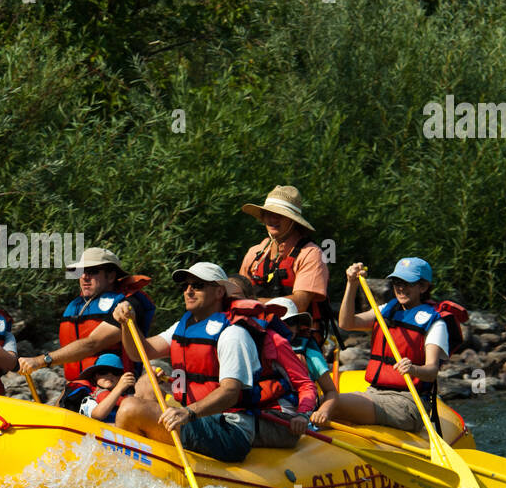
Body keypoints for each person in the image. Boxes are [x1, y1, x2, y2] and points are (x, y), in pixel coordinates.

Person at [110, 262, 316, 463]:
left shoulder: (233, 334)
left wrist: (188, 413)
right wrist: (127, 324)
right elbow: (141, 352)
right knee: (146, 384)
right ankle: (149, 460)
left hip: (230, 430)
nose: (189, 291)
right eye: (185, 286)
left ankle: (126, 465)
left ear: (219, 293)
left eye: (198, 285)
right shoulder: (184, 325)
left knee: (130, 408)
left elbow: (230, 393)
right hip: (200, 417)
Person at [312, 258, 463, 433]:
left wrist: (413, 369)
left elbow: (431, 372)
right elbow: (347, 323)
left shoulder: (435, 323)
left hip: (407, 403)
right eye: (397, 282)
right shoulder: (386, 310)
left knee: (329, 403)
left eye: (408, 283)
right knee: (323, 402)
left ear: (423, 287)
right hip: (374, 392)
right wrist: (351, 284)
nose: (401, 288)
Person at [17, 247, 155, 383]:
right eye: (81, 272)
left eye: (92, 271)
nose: (84, 277)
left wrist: (41, 361)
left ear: (111, 276)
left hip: (115, 385)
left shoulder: (128, 305)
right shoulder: (79, 305)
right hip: (80, 384)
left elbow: (93, 344)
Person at [240, 185, 332, 337]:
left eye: (279, 215)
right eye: (268, 213)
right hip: (255, 333)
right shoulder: (254, 254)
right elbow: (239, 292)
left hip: (297, 340)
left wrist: (250, 303)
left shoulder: (311, 254)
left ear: (293, 220)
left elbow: (300, 303)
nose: (272, 219)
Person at [265, 297, 338, 410]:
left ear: (298, 326)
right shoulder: (259, 349)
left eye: (291, 322)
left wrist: (323, 412)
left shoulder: (310, 354)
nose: (286, 327)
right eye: (279, 323)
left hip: (300, 413)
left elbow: (331, 391)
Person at [64, 353, 135, 423]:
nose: (110, 375)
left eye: (115, 372)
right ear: (95, 376)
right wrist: (119, 388)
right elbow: (98, 415)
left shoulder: (129, 395)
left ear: (121, 377)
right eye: (103, 372)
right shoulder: (88, 395)